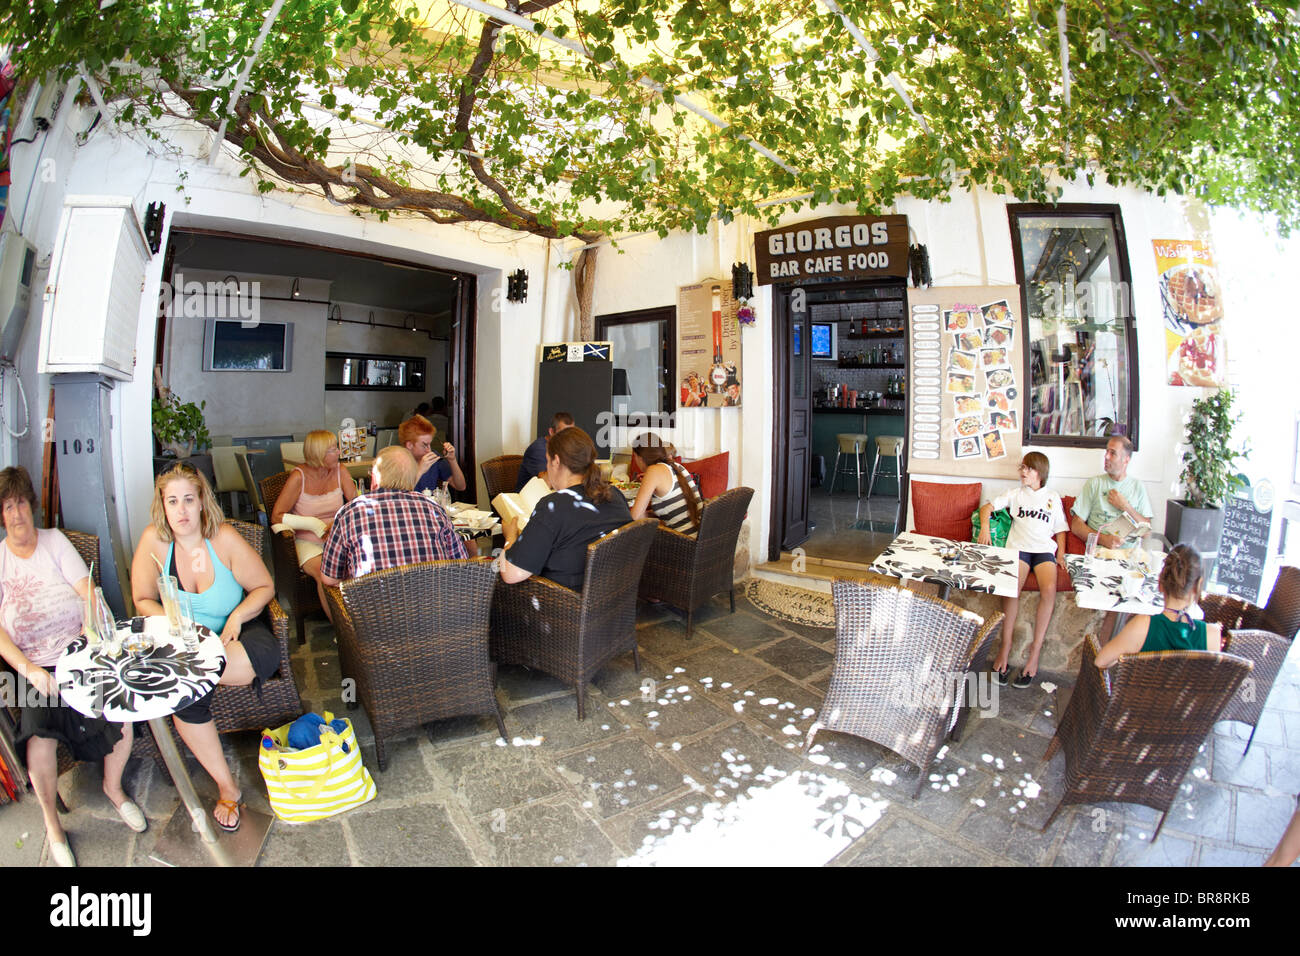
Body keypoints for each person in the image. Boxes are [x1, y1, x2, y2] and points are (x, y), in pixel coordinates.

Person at [0, 467, 143, 867]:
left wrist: (88, 631)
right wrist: (28, 669)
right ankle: (51, 824)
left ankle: (114, 789)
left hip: (76, 651)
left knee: (121, 713)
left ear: (33, 506)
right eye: (7, 507)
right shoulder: (0, 561)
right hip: (33, 665)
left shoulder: (54, 541)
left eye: (21, 503)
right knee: (39, 740)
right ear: (1, 514)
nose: (16, 514)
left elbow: (87, 590)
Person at [131, 462, 279, 834]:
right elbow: (142, 599)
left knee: (190, 683)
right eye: (172, 501)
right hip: (188, 646)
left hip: (238, 637)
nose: (180, 511)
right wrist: (174, 624)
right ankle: (228, 787)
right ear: (162, 506)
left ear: (201, 502)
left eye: (188, 500)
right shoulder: (155, 541)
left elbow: (264, 587)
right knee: (187, 690)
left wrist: (238, 617)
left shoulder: (223, 538)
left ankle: (193, 686)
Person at [498, 427, 632, 590]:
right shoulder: (615, 495)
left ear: (555, 461)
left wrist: (510, 537)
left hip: (563, 606)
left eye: (547, 461)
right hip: (615, 600)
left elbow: (511, 575)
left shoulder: (553, 506)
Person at [978, 452, 1068, 688]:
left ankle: (1034, 654)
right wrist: (984, 528)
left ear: (1040, 472)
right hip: (1019, 550)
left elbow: (1060, 528)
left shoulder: (1052, 497)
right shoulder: (1015, 494)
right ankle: (1004, 648)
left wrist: (1061, 553)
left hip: (1044, 550)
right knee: (1011, 589)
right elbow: (986, 509)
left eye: (1028, 468)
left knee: (1049, 590)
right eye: (1022, 468)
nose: (1023, 472)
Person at [320, 446, 468, 585]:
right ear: (412, 477)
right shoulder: (434, 509)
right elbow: (462, 565)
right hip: (437, 607)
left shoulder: (350, 513)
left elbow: (329, 578)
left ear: (374, 478)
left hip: (373, 609)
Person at [1071, 435, 1154, 638]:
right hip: (1103, 553)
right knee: (1117, 604)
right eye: (1106, 452)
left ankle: (1113, 653)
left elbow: (1147, 528)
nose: (1106, 457)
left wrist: (1125, 506)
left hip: (1131, 554)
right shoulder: (1095, 484)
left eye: (1113, 453)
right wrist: (1104, 540)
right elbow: (1076, 525)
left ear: (1126, 459)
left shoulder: (1136, 487)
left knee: (1138, 604)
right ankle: (1104, 652)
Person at [270, 429, 359, 615]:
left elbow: (356, 505)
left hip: (337, 538)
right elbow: (277, 516)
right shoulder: (298, 477)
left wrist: (336, 524)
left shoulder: (340, 470)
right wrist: (314, 524)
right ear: (318, 454)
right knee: (324, 574)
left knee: (357, 569)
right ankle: (341, 631)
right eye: (333, 450)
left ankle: (357, 625)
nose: (338, 453)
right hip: (307, 541)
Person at [1095, 545, 1223, 668]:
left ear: (1160, 583)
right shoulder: (1212, 635)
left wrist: (1124, 657)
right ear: (1197, 586)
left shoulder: (1142, 626)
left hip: (1139, 690)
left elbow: (1101, 662)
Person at [629, 432, 702, 534]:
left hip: (682, 541)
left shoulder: (653, 471)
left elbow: (635, 517)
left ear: (639, 457)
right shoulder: (676, 465)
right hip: (699, 536)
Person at [399, 414, 467, 495]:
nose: (429, 450)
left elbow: (460, 486)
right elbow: (399, 496)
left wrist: (452, 460)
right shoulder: (396, 462)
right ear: (409, 445)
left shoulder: (433, 457)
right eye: (425, 445)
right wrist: (420, 470)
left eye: (430, 444)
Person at [516, 411, 574, 492]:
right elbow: (547, 482)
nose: (568, 437)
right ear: (551, 432)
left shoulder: (562, 447)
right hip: (528, 499)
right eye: (563, 433)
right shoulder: (538, 449)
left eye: (571, 433)